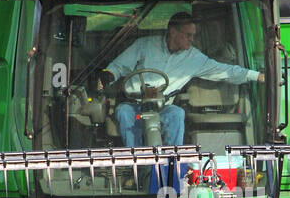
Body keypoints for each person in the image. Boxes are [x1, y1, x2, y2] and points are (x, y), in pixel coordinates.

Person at [98, 12, 263, 148]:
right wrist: (108, 76)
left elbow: (225, 71)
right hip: (135, 108)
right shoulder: (145, 45)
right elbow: (118, 67)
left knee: (177, 113)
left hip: (162, 109)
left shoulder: (194, 58)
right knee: (124, 112)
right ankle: (139, 164)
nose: (192, 39)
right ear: (173, 32)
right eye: (188, 35)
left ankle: (171, 164)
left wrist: (256, 76)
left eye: (193, 36)